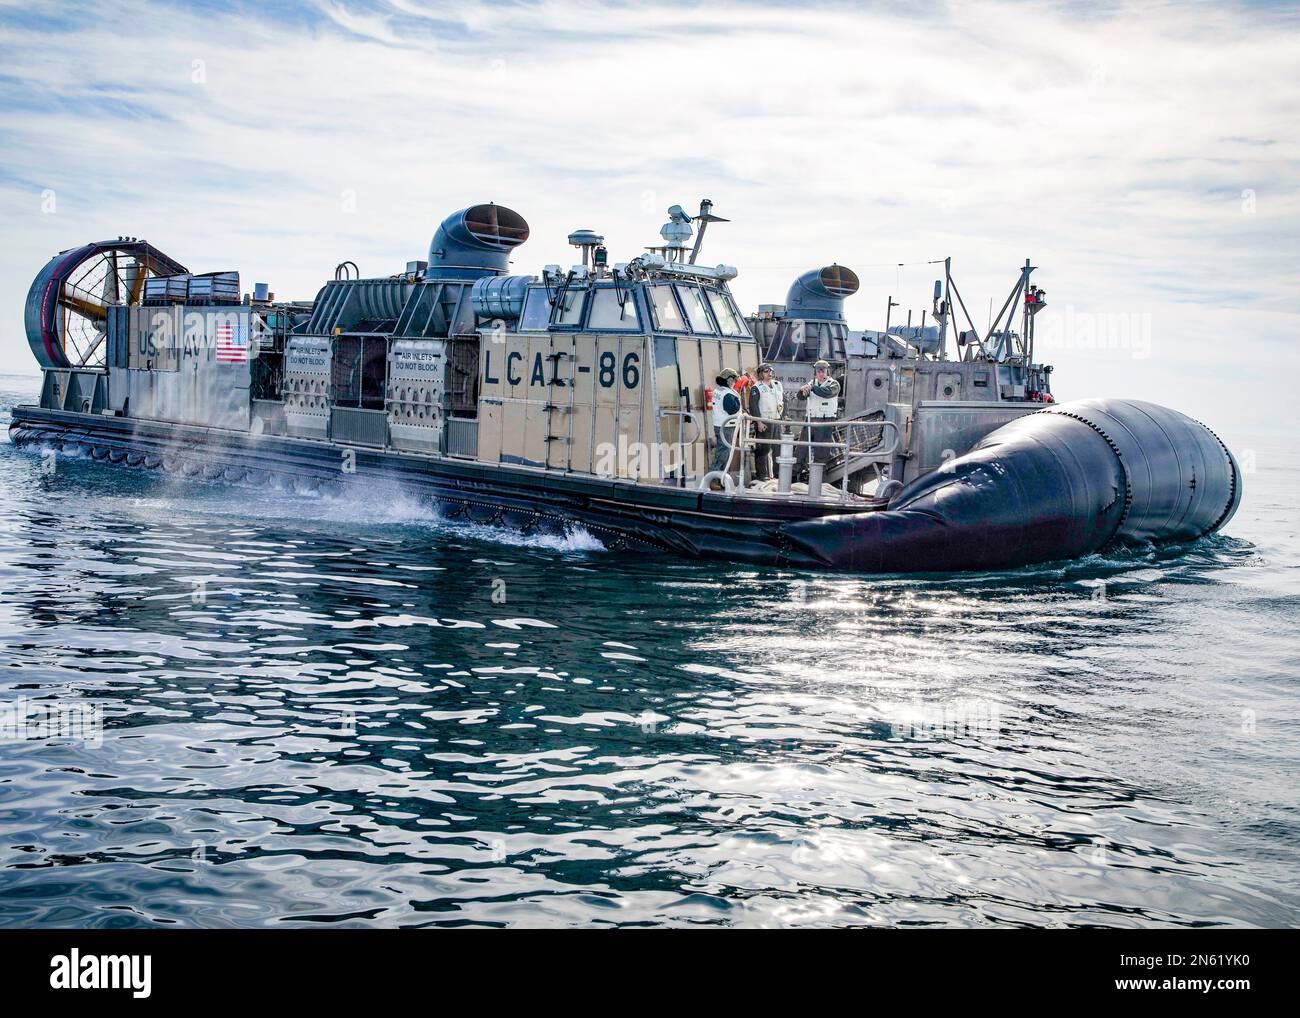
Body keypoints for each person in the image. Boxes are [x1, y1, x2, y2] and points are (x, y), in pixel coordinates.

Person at [798, 359, 840, 465]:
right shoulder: (811, 383)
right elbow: (800, 397)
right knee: (801, 448)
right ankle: (796, 473)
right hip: (810, 419)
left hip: (825, 421)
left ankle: (820, 476)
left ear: (827, 372)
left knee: (822, 450)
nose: (821, 374)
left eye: (823, 371)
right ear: (815, 372)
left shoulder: (833, 384)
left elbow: (827, 393)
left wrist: (812, 388)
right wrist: (802, 391)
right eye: (818, 371)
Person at [750, 364, 785, 481]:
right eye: (766, 371)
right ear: (761, 373)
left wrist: (783, 420)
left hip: (776, 420)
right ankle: (761, 475)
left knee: (778, 449)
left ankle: (778, 475)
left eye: (771, 371)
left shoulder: (778, 385)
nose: (769, 373)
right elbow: (753, 406)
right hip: (764, 421)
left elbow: (784, 401)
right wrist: (759, 422)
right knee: (763, 449)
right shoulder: (756, 388)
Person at [708, 368, 743, 486]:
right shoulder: (728, 393)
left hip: (721, 425)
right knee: (724, 454)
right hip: (727, 426)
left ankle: (719, 479)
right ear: (729, 380)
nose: (735, 383)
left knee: (723, 452)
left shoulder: (719, 390)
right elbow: (732, 409)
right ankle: (713, 480)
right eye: (734, 380)